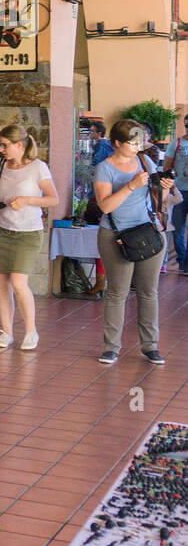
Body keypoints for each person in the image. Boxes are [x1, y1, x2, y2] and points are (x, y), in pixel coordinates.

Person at [94, 119, 166, 365]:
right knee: (117, 292)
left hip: (147, 231)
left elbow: (158, 197)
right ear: (117, 143)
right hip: (116, 236)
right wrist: (131, 186)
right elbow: (105, 205)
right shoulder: (105, 168)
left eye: (140, 141)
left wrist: (165, 186)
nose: (138, 146)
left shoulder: (146, 161)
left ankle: (150, 346)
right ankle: (111, 347)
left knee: (148, 292)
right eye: (133, 142)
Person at [0, 124, 58, 350]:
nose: (1, 150)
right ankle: (6, 331)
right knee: (3, 283)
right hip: (3, 228)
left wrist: (27, 200)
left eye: (4, 145)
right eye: (0, 145)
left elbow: (53, 198)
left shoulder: (38, 167)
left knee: (18, 282)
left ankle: (30, 331)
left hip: (28, 232)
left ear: (19, 145)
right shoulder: (0, 165)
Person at [162, 113, 188, 275]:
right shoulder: (176, 143)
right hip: (180, 191)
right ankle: (183, 262)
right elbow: (166, 168)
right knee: (178, 230)